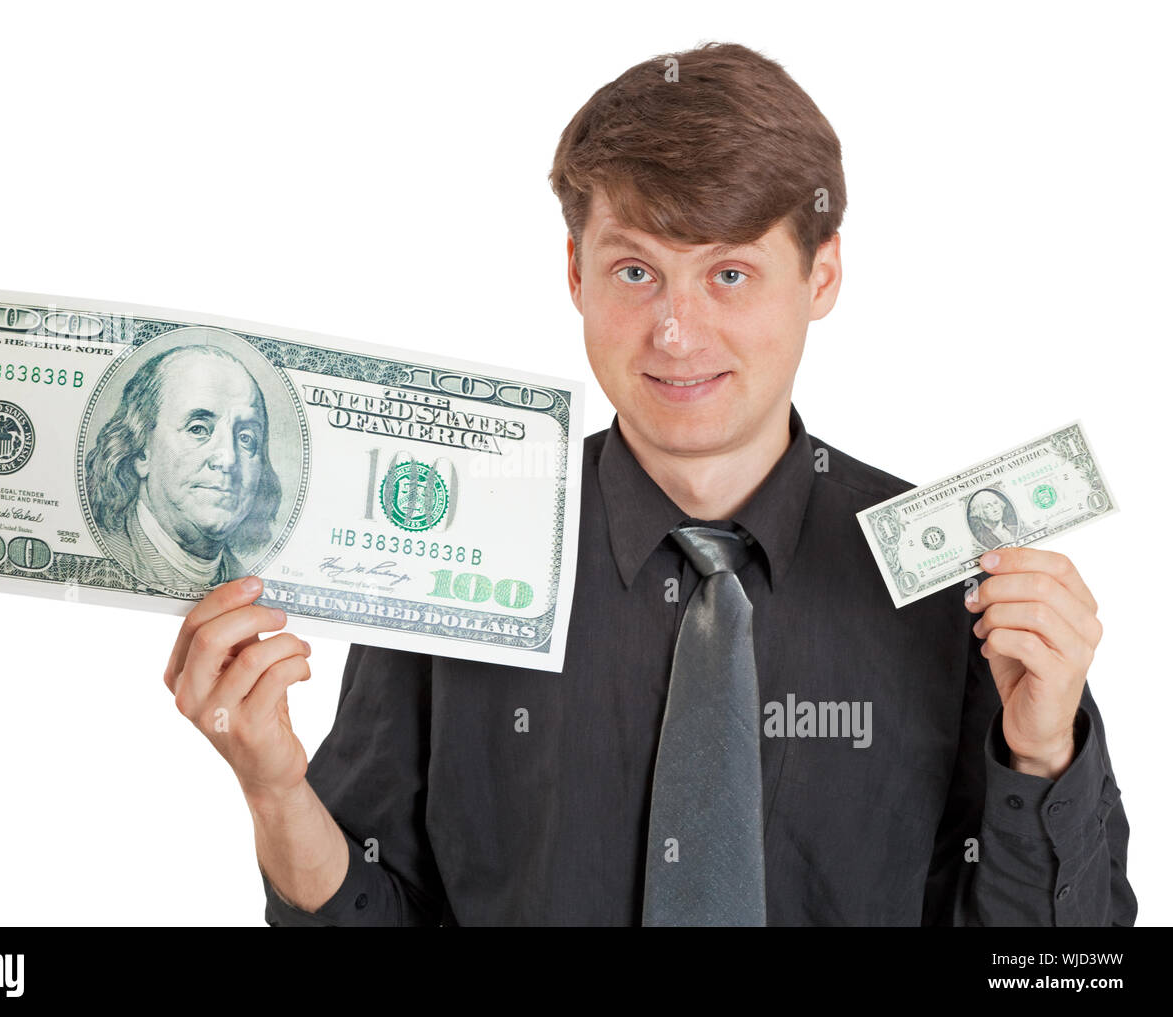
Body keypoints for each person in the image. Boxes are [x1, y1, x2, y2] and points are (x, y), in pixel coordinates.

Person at [163, 42, 1135, 925]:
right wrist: (276, 795)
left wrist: (1043, 753)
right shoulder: (452, 552)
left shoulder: (947, 590)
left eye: (727, 276)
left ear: (823, 274)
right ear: (576, 275)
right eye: (634, 272)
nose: (674, 332)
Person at [86, 343, 282, 593]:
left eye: (246, 438)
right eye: (198, 429)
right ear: (142, 450)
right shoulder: (108, 562)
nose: (229, 460)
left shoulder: (247, 584)